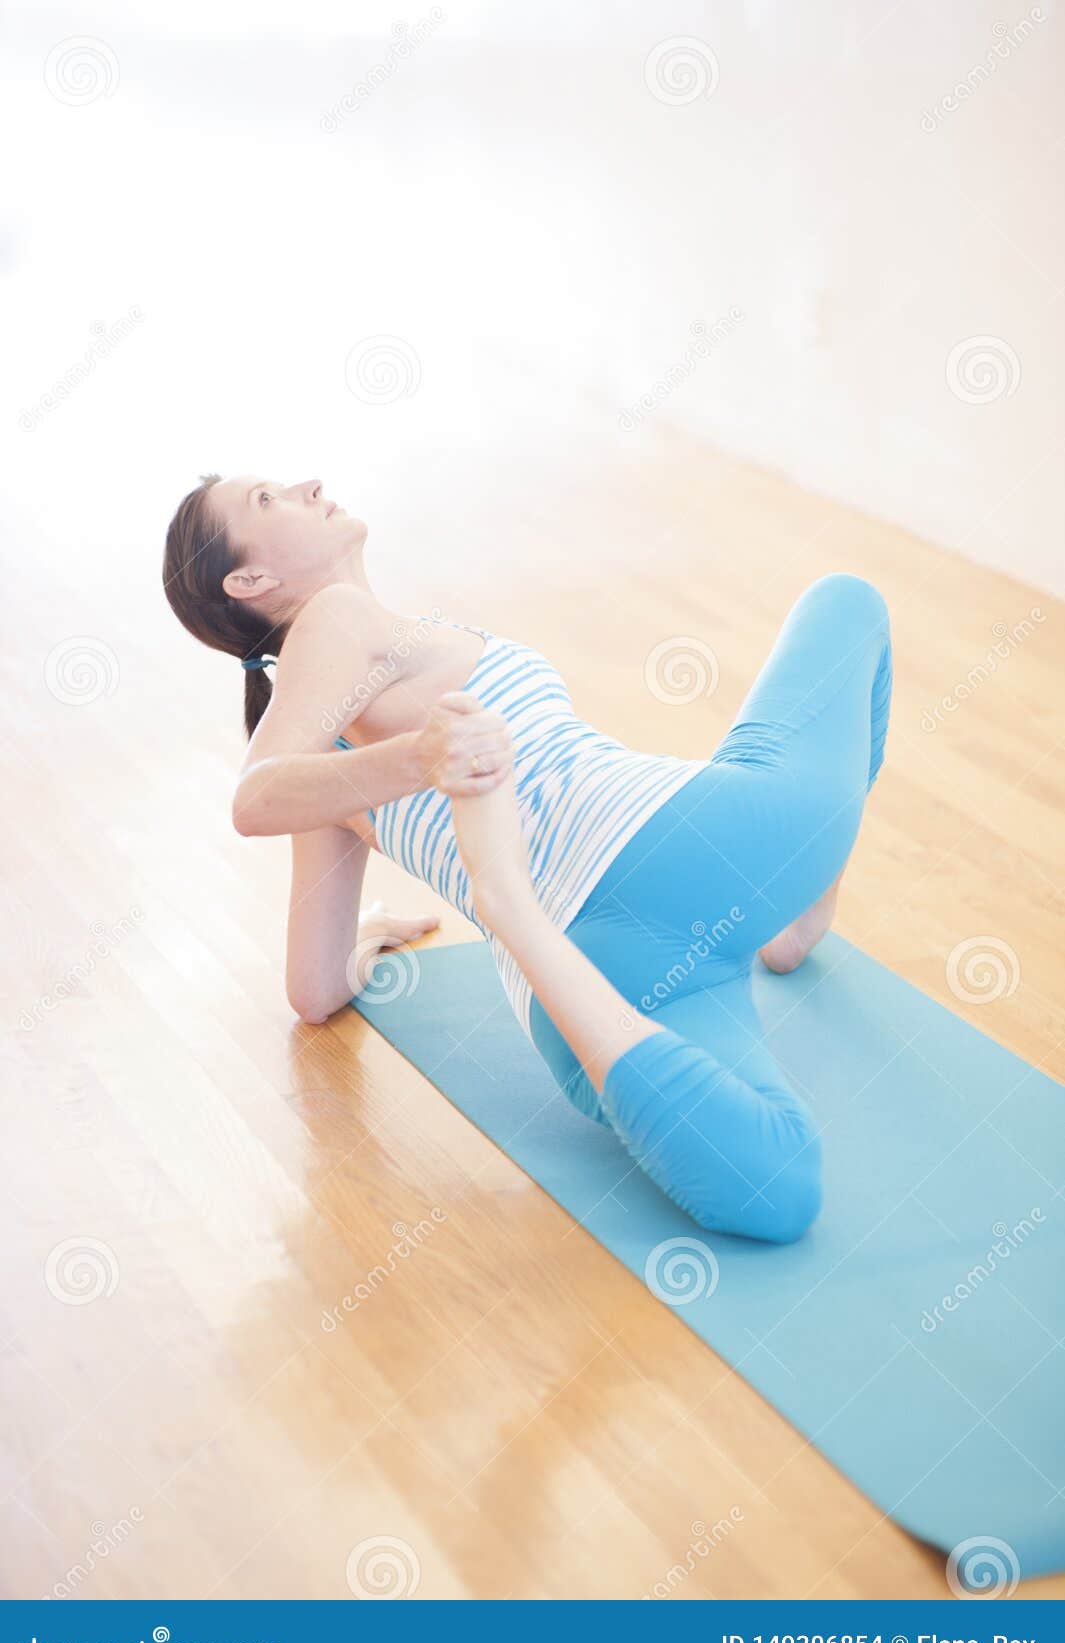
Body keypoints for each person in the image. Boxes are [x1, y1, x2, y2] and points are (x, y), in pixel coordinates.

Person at [163, 474, 892, 1243]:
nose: (305, 483)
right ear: (250, 581)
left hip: (581, 982)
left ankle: (563, 911)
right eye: (267, 500)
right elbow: (253, 802)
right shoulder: (337, 619)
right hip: (692, 846)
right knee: (846, 602)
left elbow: (311, 993)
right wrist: (423, 755)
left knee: (775, 1188)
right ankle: (787, 916)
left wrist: (362, 936)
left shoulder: (325, 768)